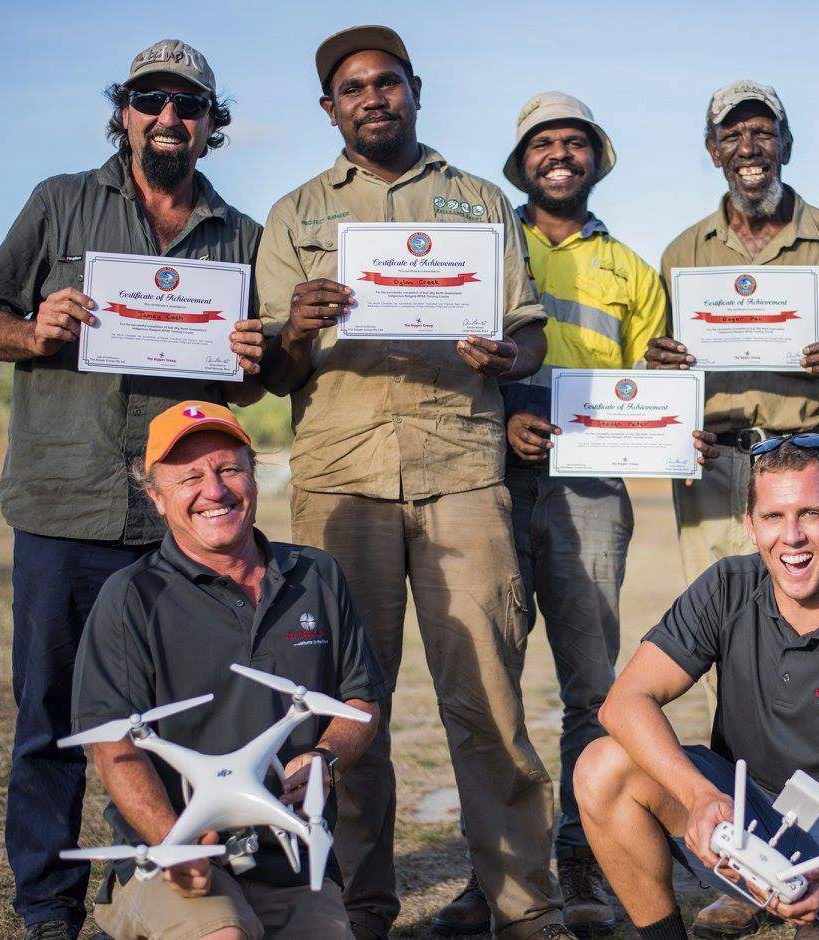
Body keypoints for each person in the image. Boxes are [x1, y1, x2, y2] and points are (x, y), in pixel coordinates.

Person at [254, 26, 566, 940]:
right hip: (341, 483)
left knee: (489, 702)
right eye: (353, 88)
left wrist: (510, 355)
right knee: (348, 706)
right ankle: (358, 905)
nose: (373, 98)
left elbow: (529, 332)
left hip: (462, 473)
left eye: (387, 82)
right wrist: (298, 331)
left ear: (415, 89)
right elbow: (273, 372)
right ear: (330, 107)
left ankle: (524, 905)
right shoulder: (295, 212)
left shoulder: (476, 202)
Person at [0, 39, 264, 940]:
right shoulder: (58, 203)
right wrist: (35, 330)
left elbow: (247, 384)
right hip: (66, 507)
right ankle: (48, 912)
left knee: (179, 720)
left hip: (183, 520)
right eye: (149, 99)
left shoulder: (241, 236)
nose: (168, 117)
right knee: (51, 716)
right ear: (124, 111)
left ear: (212, 127)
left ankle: (153, 885)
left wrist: (255, 362)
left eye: (188, 106)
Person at [432, 90, 714, 936]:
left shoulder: (630, 267)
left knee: (593, 683)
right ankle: (499, 876)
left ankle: (583, 858)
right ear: (522, 163)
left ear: (597, 159)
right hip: (487, 476)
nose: (561, 154)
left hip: (592, 488)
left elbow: (648, 391)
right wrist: (506, 408)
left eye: (576, 142)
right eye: (544, 144)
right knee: (491, 685)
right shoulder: (488, 245)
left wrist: (672, 390)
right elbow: (459, 351)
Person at [644, 78, 819, 937]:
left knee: (808, 649)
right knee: (735, 658)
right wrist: (661, 362)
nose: (749, 146)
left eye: (764, 132)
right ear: (713, 149)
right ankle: (743, 857)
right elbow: (657, 377)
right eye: (733, 134)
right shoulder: (684, 249)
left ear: (786, 144)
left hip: (801, 469)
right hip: (717, 469)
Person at [573, 436, 819, 940]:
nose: (792, 537)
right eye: (773, 517)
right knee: (603, 766)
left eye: (810, 514)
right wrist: (699, 797)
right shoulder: (727, 588)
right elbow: (624, 703)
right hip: (750, 823)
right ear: (750, 526)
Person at [70, 401, 385, 939]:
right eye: (189, 477)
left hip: (288, 864)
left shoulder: (317, 575)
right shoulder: (131, 596)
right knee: (225, 935)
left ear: (254, 478)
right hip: (175, 855)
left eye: (229, 469)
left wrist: (327, 758)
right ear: (157, 499)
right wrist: (176, 843)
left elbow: (361, 700)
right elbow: (113, 747)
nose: (214, 491)